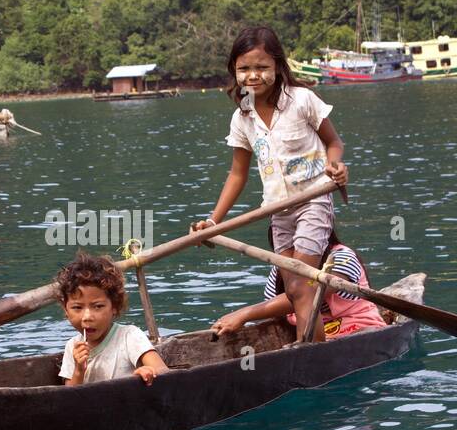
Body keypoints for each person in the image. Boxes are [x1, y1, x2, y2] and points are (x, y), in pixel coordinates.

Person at [190, 25, 348, 341]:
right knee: (293, 289)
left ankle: (311, 355)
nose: (253, 76)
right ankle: (314, 349)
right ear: (233, 72)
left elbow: (334, 142)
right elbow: (237, 174)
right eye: (244, 69)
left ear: (278, 65)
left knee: (302, 284)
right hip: (278, 211)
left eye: (262, 67)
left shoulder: (302, 100)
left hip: (313, 199)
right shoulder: (242, 118)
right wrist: (213, 221)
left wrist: (335, 165)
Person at [210, 227, 386, 339]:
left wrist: (243, 314)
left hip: (358, 330)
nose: (295, 249)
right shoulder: (279, 270)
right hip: (308, 337)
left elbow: (308, 294)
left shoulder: (342, 258)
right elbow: (273, 310)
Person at [55, 253, 169, 386]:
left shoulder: (129, 336)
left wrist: (148, 372)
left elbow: (164, 372)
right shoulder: (72, 347)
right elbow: (68, 396)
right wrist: (79, 370)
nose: (87, 317)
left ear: (114, 306)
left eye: (98, 306)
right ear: (66, 310)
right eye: (77, 307)